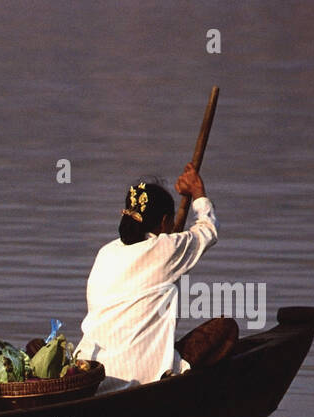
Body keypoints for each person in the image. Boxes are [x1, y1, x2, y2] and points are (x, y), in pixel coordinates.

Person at [75, 163, 223, 392]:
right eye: (171, 222)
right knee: (226, 329)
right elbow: (208, 230)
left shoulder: (105, 252)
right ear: (165, 222)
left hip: (92, 372)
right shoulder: (165, 248)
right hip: (139, 376)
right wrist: (198, 193)